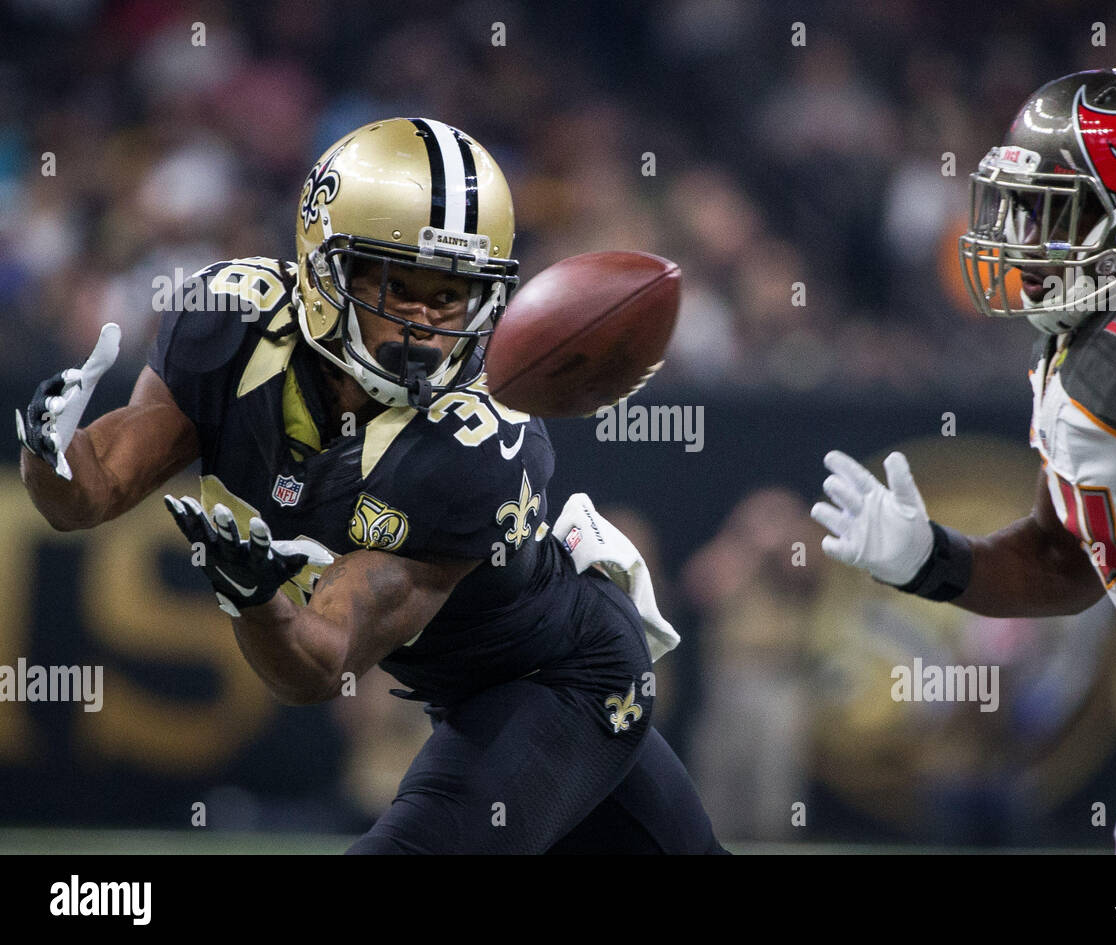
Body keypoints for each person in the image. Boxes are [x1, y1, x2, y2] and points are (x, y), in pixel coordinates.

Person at [17, 117, 723, 854]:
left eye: (450, 295)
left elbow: (321, 660)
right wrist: (49, 456)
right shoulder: (232, 321)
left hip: (565, 681)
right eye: (399, 284)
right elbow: (91, 491)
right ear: (325, 269)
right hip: (478, 689)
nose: (423, 322)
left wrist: (258, 602)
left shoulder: (475, 444)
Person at [812, 70, 1116, 854]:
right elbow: (1060, 561)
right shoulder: (1107, 334)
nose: (1023, 237)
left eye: (1052, 213)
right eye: (1022, 207)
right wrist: (929, 559)